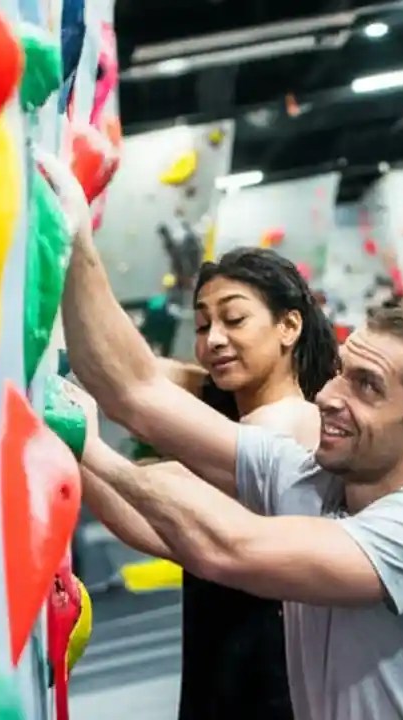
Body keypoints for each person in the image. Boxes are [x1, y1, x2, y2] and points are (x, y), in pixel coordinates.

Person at [59, 192, 403, 718]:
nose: (329, 396)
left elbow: (227, 547)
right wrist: (74, 238)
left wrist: (89, 448)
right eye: (341, 372)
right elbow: (136, 390)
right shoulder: (308, 475)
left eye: (366, 386)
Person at [90, 247, 338, 719]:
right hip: (230, 679)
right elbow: (132, 367)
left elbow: (132, 389)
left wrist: (82, 444)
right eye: (203, 326)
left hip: (271, 691)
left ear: (289, 326)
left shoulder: (290, 422)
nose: (215, 339)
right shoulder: (235, 415)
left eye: (235, 319)